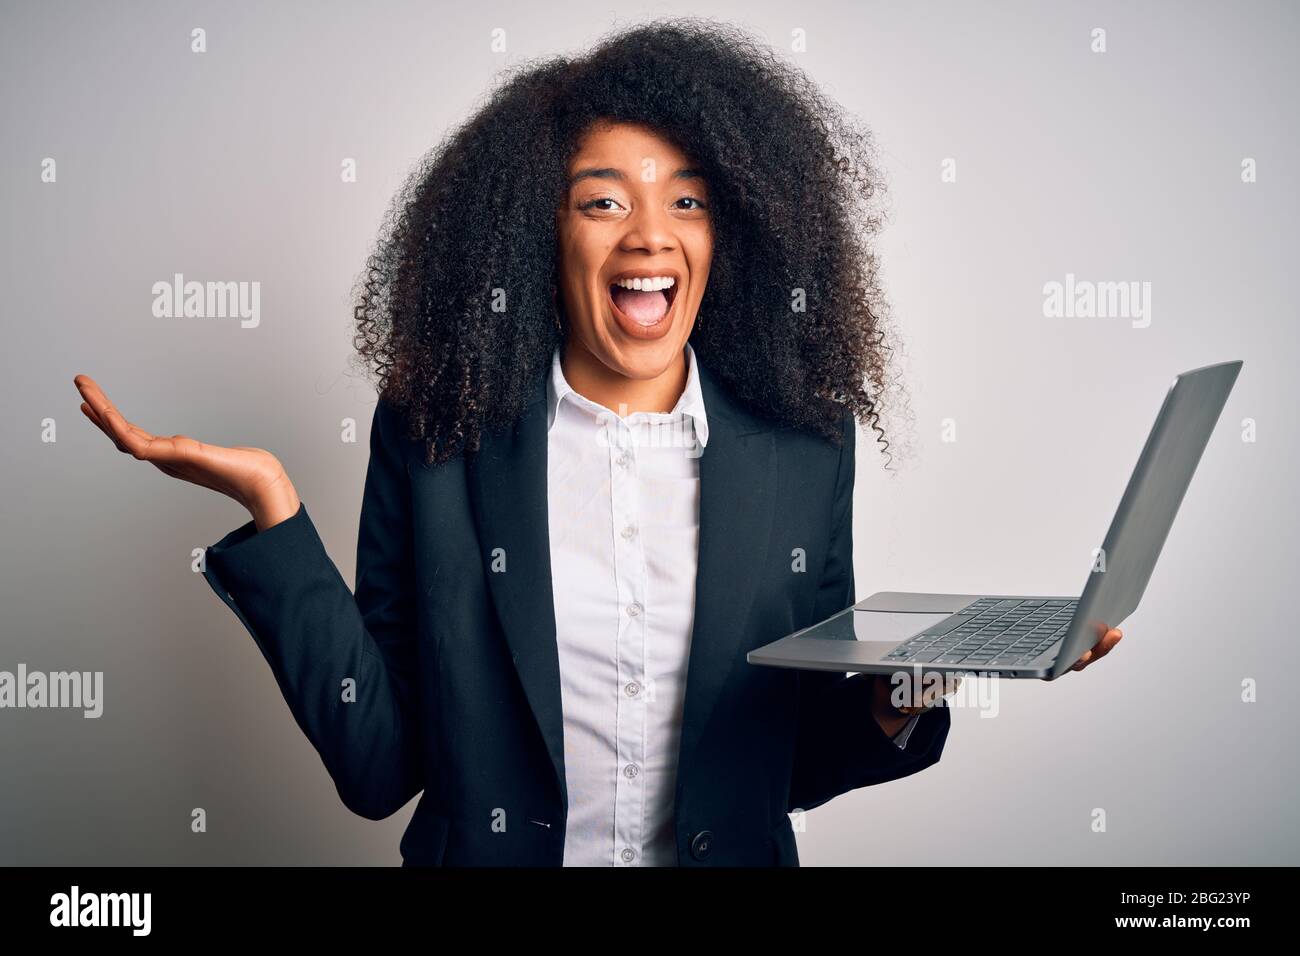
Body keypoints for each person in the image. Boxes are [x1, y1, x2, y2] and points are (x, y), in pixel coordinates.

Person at [73, 20, 1122, 866]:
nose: (650, 234)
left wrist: (908, 688)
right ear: (539, 233)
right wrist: (275, 517)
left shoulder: (802, 446)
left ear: (733, 235)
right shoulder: (437, 432)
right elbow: (379, 765)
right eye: (602, 201)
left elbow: (783, 764)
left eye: (689, 201)